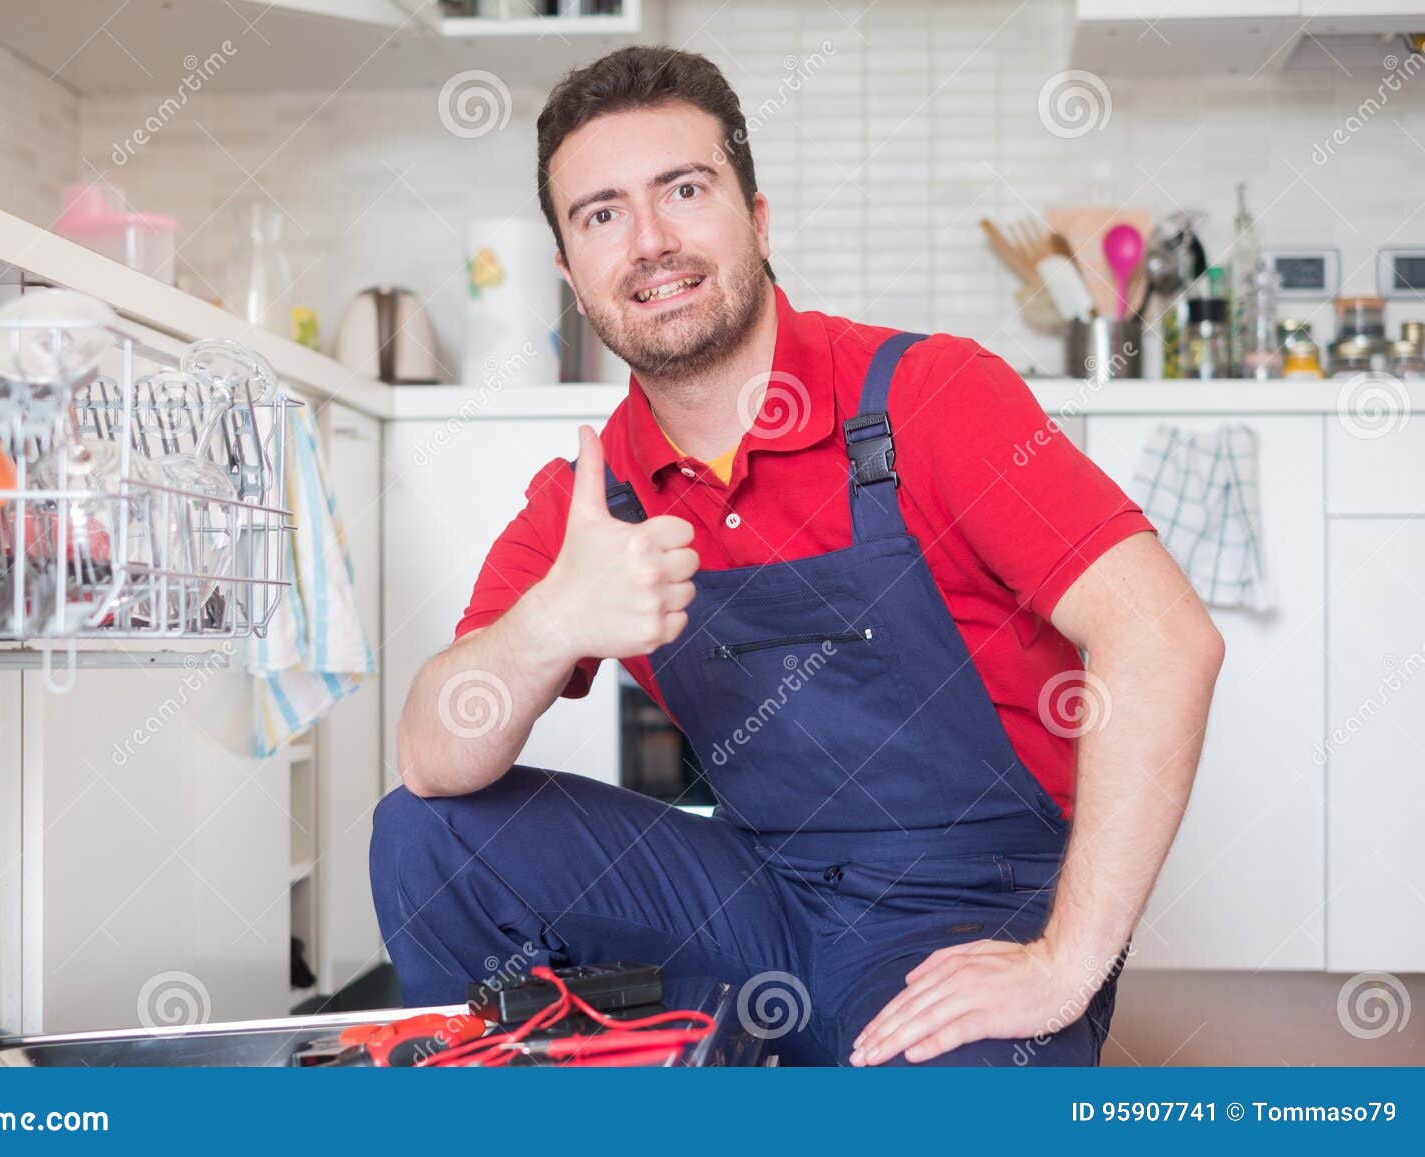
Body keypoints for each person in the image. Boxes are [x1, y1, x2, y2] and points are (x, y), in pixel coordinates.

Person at [370, 45, 1224, 1067]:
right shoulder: (598, 496)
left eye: (683, 190)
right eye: (601, 213)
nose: (649, 242)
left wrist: (1062, 960)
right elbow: (431, 751)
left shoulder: (928, 396)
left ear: (757, 218)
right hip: (762, 898)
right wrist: (551, 621)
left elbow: (1165, 637)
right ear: (571, 272)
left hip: (963, 917)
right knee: (428, 833)